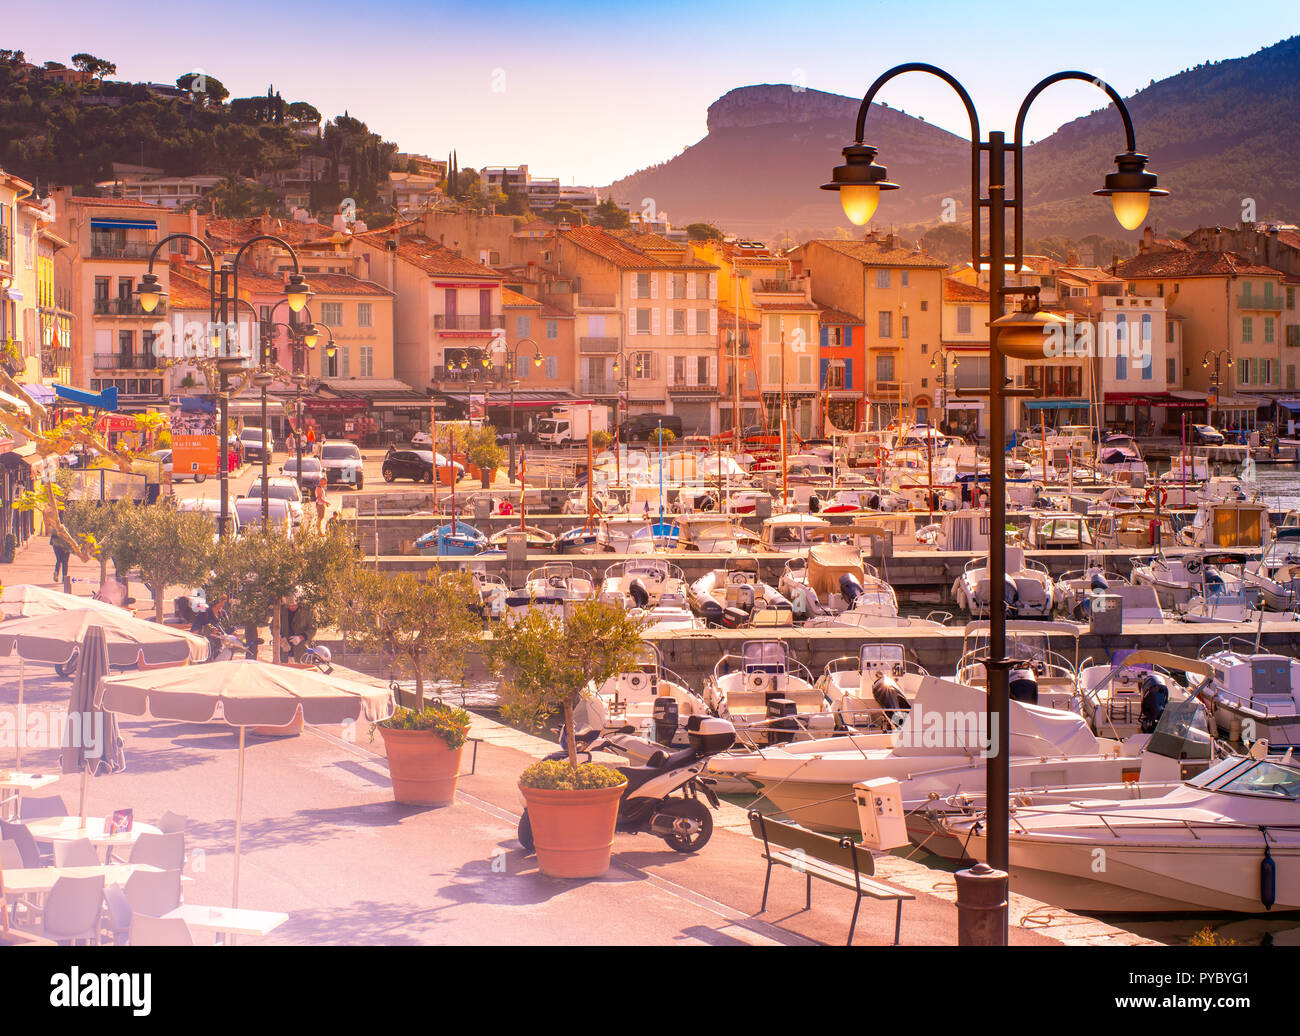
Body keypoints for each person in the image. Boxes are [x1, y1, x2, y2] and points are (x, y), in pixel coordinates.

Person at [278, 590, 316, 663]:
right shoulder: (281, 610)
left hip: (301, 652)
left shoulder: (307, 611)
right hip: (285, 653)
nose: (292, 607)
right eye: (289, 606)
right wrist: (280, 638)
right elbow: (273, 627)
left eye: (294, 605)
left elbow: (313, 629)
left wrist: (300, 638)